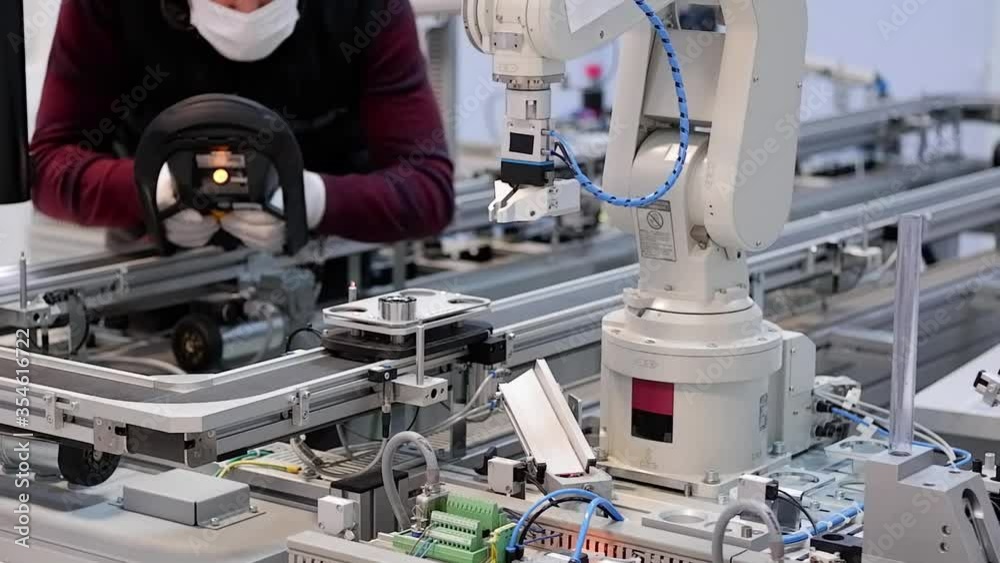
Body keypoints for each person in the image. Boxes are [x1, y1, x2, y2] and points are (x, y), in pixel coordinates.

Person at [31, 0, 455, 253]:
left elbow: (428, 189)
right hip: (149, 280)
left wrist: (315, 200)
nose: (248, 13)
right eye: (230, 3)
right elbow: (48, 166)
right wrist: (150, 192)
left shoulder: (365, 8)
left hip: (331, 287)